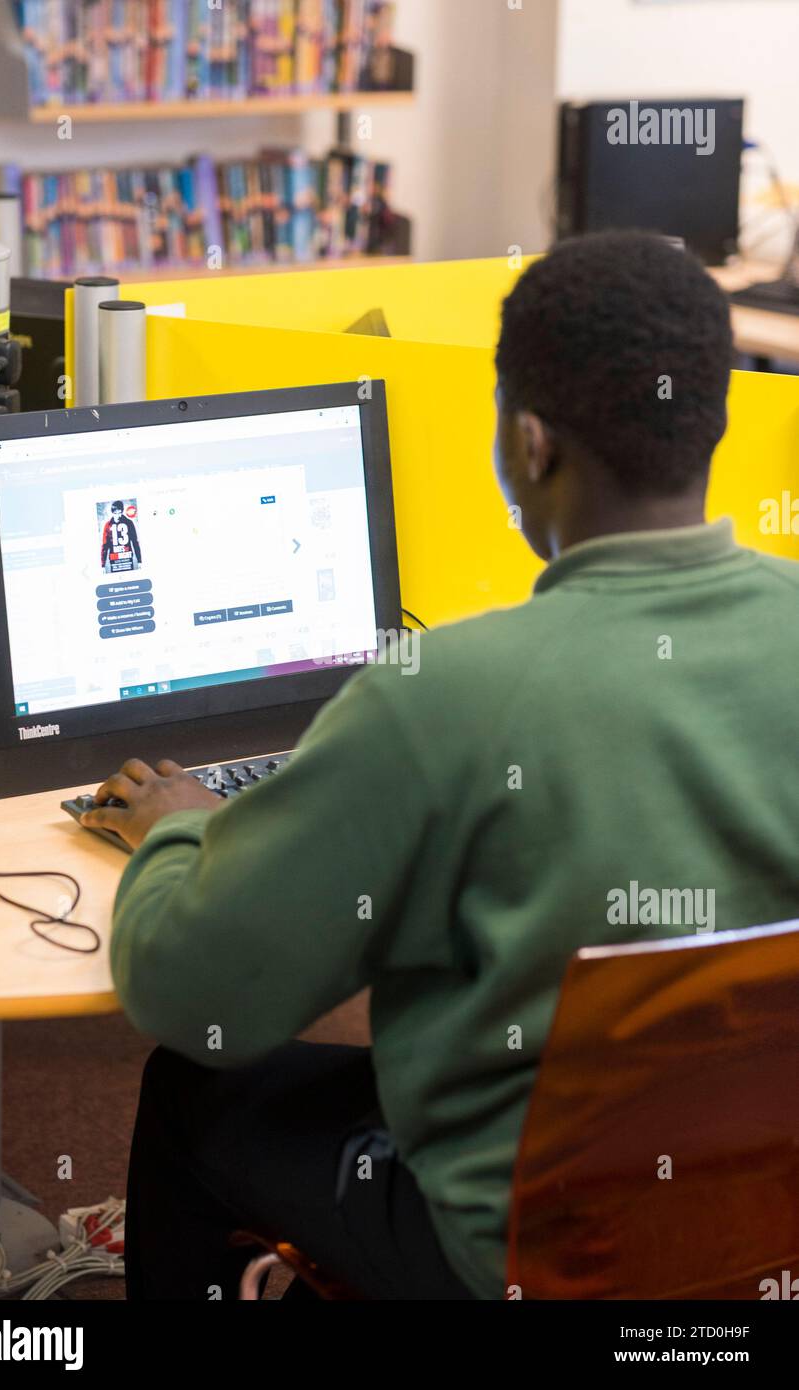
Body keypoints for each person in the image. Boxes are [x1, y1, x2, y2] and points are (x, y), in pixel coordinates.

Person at [83, 231, 799, 1300]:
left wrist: (182, 824)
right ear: (716, 420)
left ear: (527, 442)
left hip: (525, 1254)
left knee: (194, 1092)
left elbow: (196, 993)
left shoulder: (444, 696)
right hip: (763, 1217)